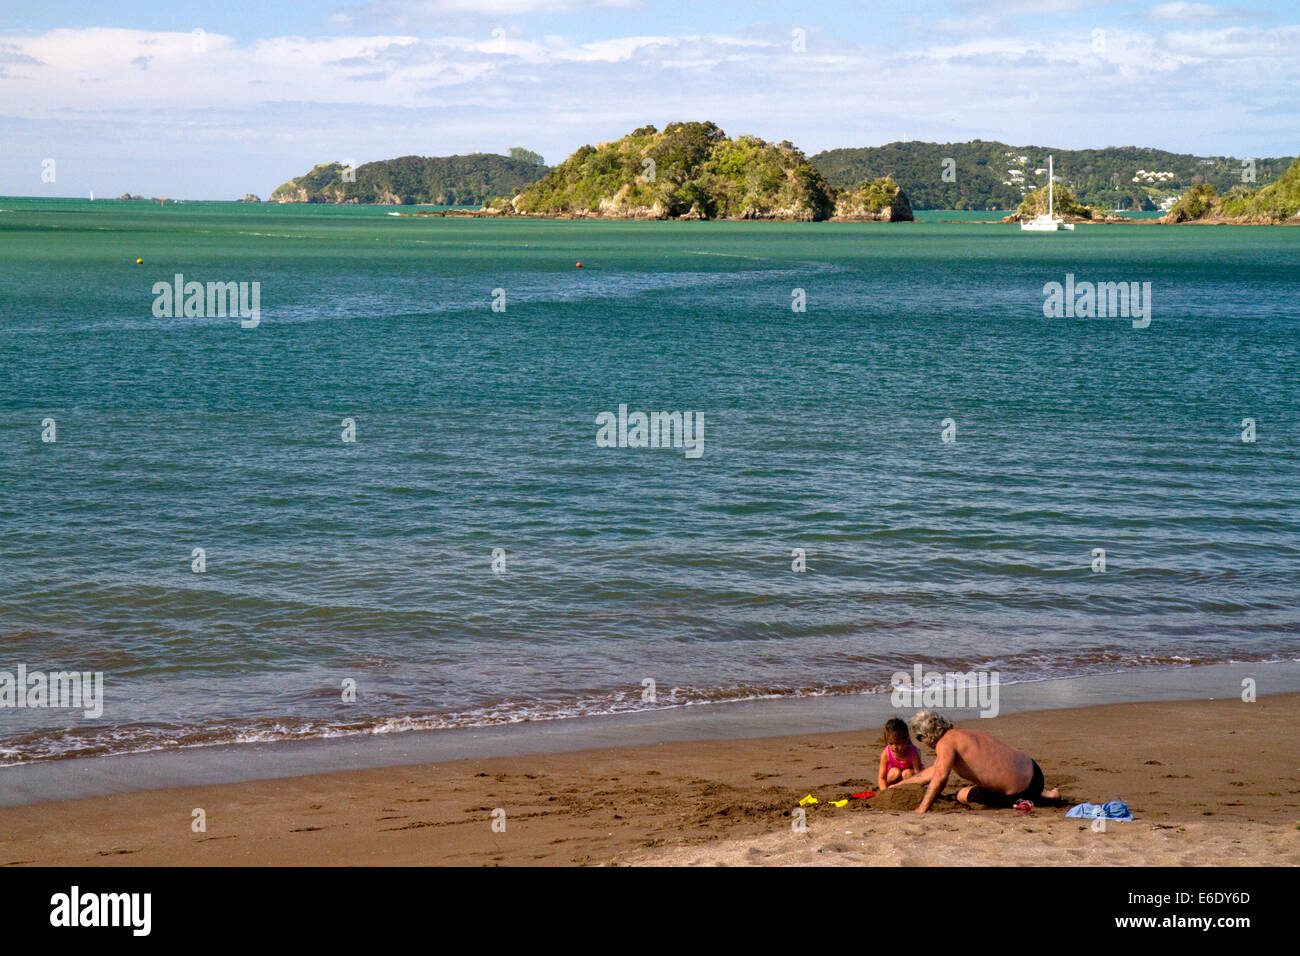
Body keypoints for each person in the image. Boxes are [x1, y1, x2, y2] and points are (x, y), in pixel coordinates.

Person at [895, 710, 1060, 814]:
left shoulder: (945, 744)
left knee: (962, 794)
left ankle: (1037, 799)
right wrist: (897, 787)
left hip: (1019, 792)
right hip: (1035, 774)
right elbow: (932, 772)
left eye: (919, 739)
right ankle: (1046, 794)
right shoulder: (963, 734)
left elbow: (940, 778)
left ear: (924, 737)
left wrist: (922, 808)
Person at [877, 717, 923, 791]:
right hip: (893, 778)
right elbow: (881, 777)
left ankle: (908, 790)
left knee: (906, 773)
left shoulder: (914, 753)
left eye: (898, 744)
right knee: (895, 772)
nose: (894, 747)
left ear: (906, 740)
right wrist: (884, 792)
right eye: (891, 743)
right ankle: (892, 789)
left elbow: (919, 775)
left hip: (910, 779)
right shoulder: (886, 753)